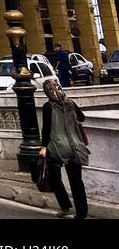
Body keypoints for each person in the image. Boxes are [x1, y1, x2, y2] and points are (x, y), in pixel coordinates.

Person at [39, 79, 89, 219]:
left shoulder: (48, 106)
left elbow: (46, 129)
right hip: (76, 147)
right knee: (77, 181)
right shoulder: (71, 103)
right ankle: (81, 213)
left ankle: (65, 207)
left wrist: (43, 147)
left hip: (57, 147)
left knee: (54, 177)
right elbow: (82, 118)